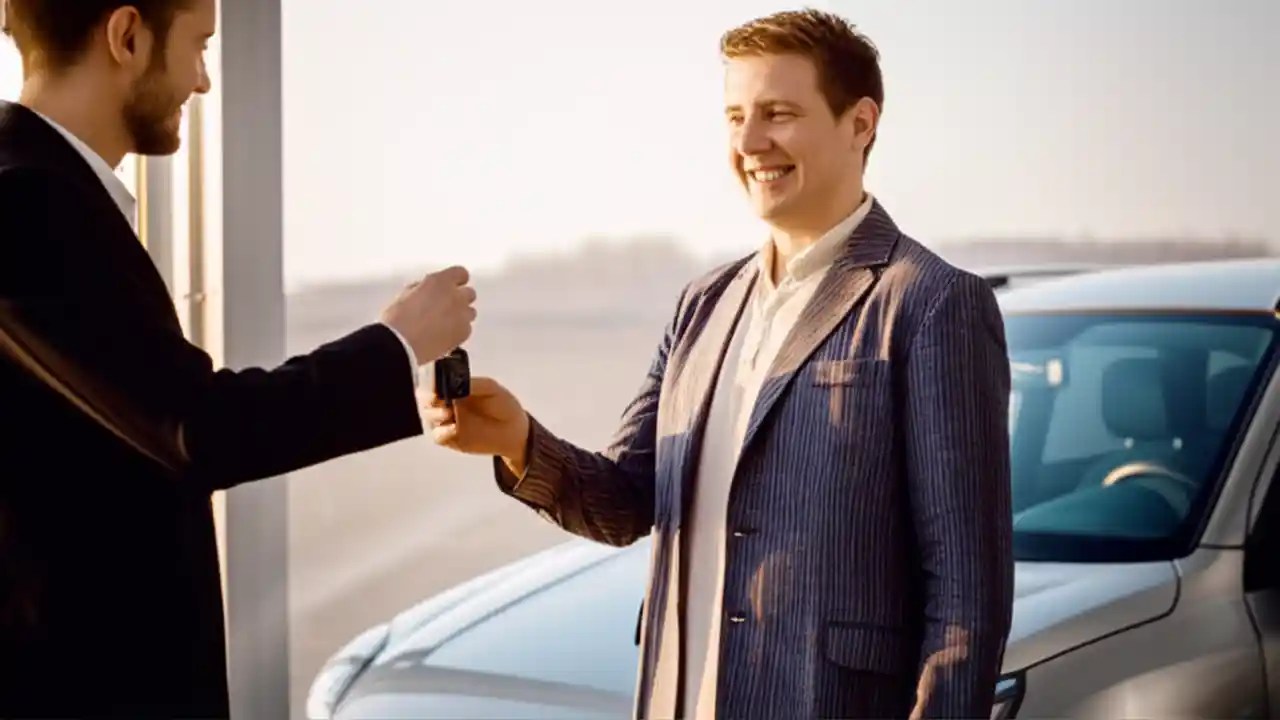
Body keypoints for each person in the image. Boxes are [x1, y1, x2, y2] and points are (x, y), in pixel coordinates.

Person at [425, 8, 1013, 720]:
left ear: (860, 123)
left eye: (778, 113)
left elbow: (966, 592)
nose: (748, 141)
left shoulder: (932, 302)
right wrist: (517, 441)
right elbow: (626, 503)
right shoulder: (701, 306)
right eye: (735, 115)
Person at [0, 0, 475, 716]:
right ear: (127, 37)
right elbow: (199, 427)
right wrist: (397, 341)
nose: (203, 83)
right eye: (199, 47)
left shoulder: (50, 196)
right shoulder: (29, 202)